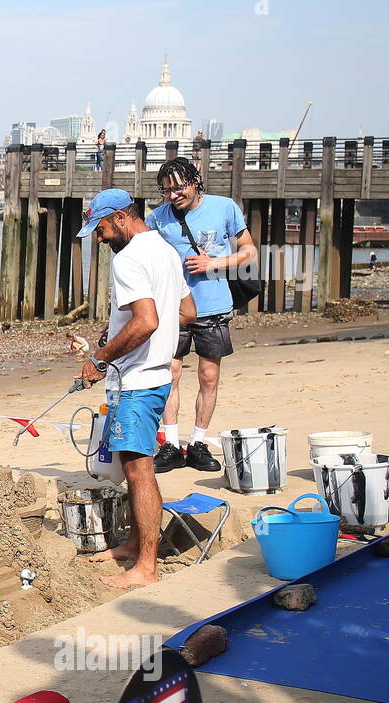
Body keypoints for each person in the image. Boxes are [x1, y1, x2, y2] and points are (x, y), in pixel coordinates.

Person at [72, 188, 196, 589]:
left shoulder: (128, 259)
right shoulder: (164, 248)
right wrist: (123, 327)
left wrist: (101, 358)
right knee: (132, 465)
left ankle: (147, 566)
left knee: (139, 470)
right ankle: (133, 544)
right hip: (156, 375)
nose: (99, 238)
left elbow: (147, 322)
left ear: (122, 218)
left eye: (102, 228)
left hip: (137, 382)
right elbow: (186, 311)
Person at [145, 156, 258, 474]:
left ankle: (197, 443)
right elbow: (146, 257)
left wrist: (215, 264)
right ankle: (169, 445)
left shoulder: (224, 208)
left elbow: (250, 251)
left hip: (214, 307)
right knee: (170, 375)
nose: (173, 196)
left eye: (179, 188)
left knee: (209, 377)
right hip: (173, 310)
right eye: (166, 190)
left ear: (196, 181)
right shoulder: (158, 218)